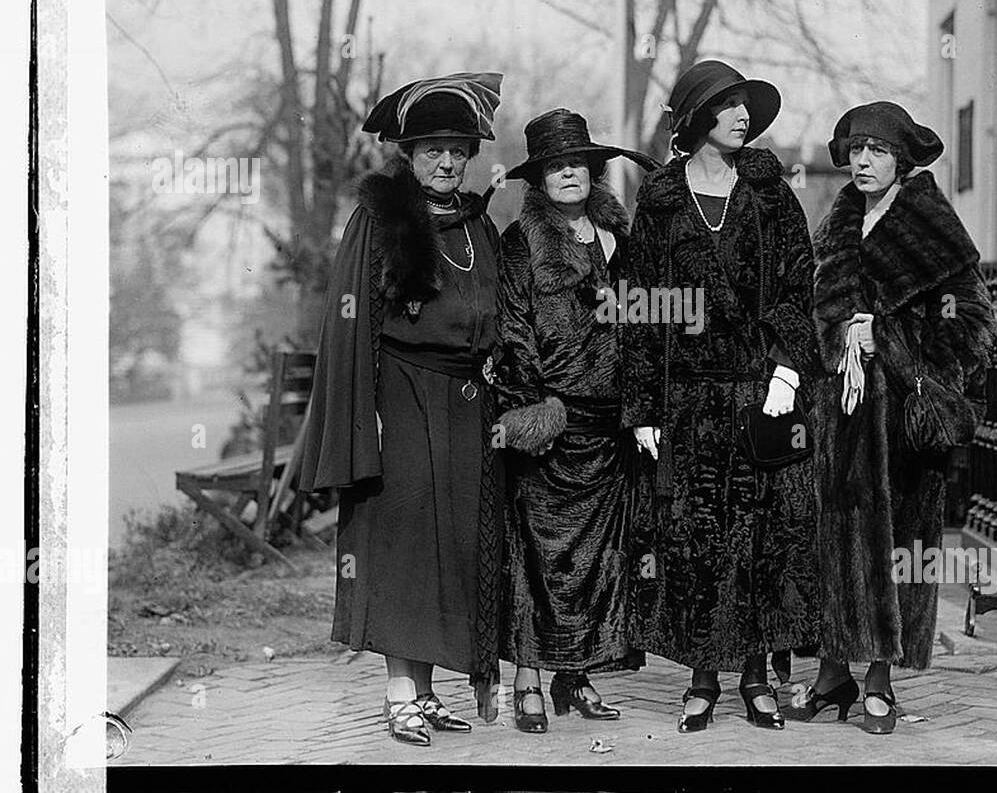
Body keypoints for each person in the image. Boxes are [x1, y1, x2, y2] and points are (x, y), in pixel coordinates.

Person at [300, 72, 506, 745]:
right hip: (402, 397)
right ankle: (399, 695)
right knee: (404, 544)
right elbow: (349, 320)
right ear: (408, 153)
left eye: (457, 148)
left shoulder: (477, 223)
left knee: (450, 546)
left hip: (467, 404)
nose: (446, 161)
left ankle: (427, 692)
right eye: (431, 149)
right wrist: (368, 416)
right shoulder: (381, 220)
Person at [622, 59, 821, 733]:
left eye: (746, 106)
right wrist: (644, 405)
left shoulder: (771, 193)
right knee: (693, 537)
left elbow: (799, 288)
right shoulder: (659, 199)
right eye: (728, 104)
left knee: (764, 534)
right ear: (697, 116)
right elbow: (639, 306)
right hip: (689, 400)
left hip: (759, 393)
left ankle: (759, 676)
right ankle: (704, 677)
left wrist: (788, 373)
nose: (742, 116)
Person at [801, 101, 995, 734]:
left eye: (878, 151)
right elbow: (814, 314)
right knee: (834, 542)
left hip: (902, 419)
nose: (863, 161)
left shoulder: (934, 229)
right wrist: (839, 341)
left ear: (902, 159)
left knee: (898, 543)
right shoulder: (835, 227)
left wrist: (889, 340)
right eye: (856, 150)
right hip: (841, 411)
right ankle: (833, 675)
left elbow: (969, 326)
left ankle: (880, 677)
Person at [492, 109, 657, 733]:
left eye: (577, 164)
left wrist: (641, 404)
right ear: (540, 178)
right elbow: (511, 333)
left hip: (611, 422)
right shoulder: (522, 243)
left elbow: (644, 325)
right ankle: (527, 682)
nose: (569, 174)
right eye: (556, 166)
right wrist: (537, 408)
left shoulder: (620, 239)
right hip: (552, 422)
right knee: (538, 557)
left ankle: (575, 677)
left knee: (595, 560)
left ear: (594, 170)